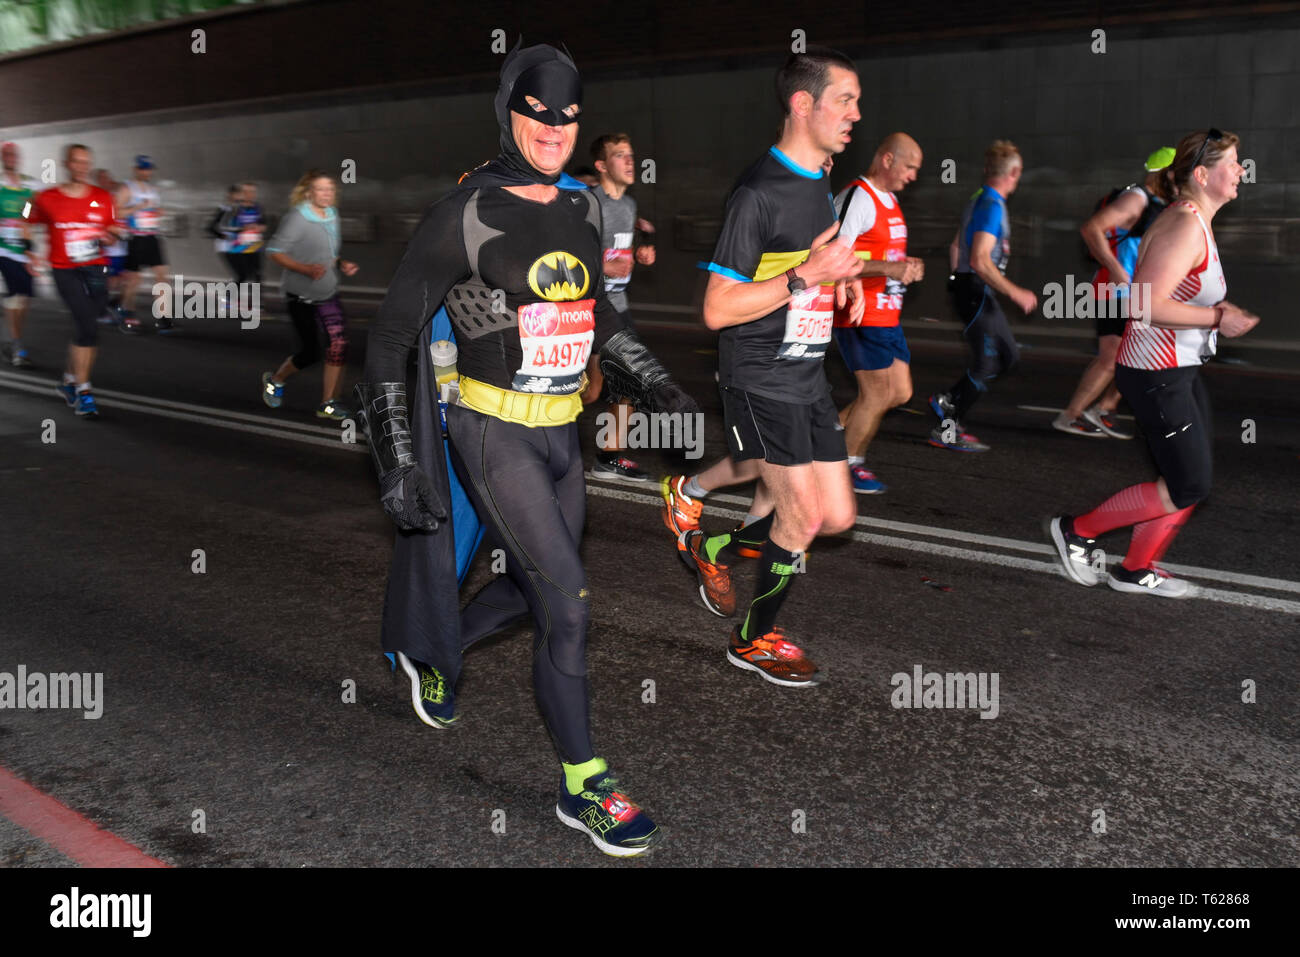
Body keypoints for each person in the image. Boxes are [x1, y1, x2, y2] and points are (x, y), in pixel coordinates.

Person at [355, 42, 695, 857]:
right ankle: (587, 786)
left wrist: (656, 382)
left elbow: (600, 316)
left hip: (560, 438)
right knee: (569, 602)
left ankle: (435, 645)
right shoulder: (467, 210)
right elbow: (389, 336)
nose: (554, 126)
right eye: (538, 111)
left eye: (569, 114)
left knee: (529, 592)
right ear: (509, 109)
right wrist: (396, 457)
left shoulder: (580, 207)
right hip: (492, 430)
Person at [673, 47, 864, 687]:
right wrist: (808, 275)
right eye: (845, 100)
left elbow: (817, 253)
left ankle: (714, 545)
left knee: (836, 518)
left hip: (807, 371)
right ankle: (752, 640)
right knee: (802, 517)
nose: (856, 115)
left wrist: (842, 281)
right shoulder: (757, 194)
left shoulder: (821, 177)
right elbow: (717, 309)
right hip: (757, 375)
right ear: (802, 104)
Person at [1050, 129, 1257, 598]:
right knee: (1190, 482)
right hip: (1154, 374)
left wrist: (1213, 318)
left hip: (1176, 369)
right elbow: (1145, 303)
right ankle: (1077, 530)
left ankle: (1134, 569)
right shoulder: (1184, 224)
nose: (1242, 170)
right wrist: (1216, 317)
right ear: (1203, 175)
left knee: (1189, 478)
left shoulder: (1194, 219)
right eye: (1234, 162)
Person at [1055, 147, 1176, 439]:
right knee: (1112, 359)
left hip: (1136, 293)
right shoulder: (1137, 199)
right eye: (1180, 171)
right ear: (1166, 173)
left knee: (1140, 355)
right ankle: (1072, 416)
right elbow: (1091, 229)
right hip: (1116, 291)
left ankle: (1104, 409)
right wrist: (1116, 269)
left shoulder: (1159, 202)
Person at [831, 132, 925, 493]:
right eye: (910, 167)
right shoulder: (859, 196)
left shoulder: (889, 200)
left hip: (887, 314)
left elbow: (879, 255)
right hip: (859, 312)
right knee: (876, 393)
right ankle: (848, 465)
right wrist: (889, 269)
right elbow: (836, 259)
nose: (913, 175)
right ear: (887, 159)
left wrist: (905, 266)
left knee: (899, 393)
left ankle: (828, 435)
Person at [929, 140, 1036, 452]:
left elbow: (954, 246)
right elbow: (979, 259)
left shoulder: (979, 199)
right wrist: (1015, 292)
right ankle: (947, 427)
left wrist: (956, 279)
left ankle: (949, 401)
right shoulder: (991, 206)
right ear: (1013, 172)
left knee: (1008, 357)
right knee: (985, 364)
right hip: (976, 289)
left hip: (974, 289)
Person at [26, 144, 124, 418]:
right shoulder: (48, 197)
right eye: (77, 162)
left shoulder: (103, 197)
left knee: (87, 326)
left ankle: (69, 380)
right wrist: (28, 246)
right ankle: (83, 390)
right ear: (67, 164)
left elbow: (114, 228)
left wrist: (111, 236)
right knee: (86, 325)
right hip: (64, 269)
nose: (82, 167)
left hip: (96, 269)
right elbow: (25, 217)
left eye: (86, 162)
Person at [582, 133, 657, 482]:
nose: (630, 161)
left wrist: (641, 253)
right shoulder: (589, 205)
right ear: (601, 166)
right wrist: (603, 267)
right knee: (595, 390)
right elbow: (568, 257)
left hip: (617, 306)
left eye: (631, 155)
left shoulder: (627, 206)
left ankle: (608, 457)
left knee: (622, 385)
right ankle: (535, 433)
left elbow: (620, 252)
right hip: (589, 307)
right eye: (619, 156)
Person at [262, 170, 357, 419]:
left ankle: (328, 403)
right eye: (321, 189)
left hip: (328, 292)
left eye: (331, 189)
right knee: (310, 353)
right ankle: (276, 380)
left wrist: (341, 263)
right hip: (301, 295)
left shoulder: (332, 215)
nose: (327, 194)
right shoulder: (297, 218)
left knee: (339, 344)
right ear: (308, 192)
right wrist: (303, 268)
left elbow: (328, 253)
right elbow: (274, 251)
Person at [117, 155, 172, 332]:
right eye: (142, 168)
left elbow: (153, 210)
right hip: (135, 238)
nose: (146, 172)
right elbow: (115, 213)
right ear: (135, 169)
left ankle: (163, 316)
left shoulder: (153, 190)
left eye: (149, 168)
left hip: (152, 236)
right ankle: (127, 312)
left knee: (162, 275)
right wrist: (136, 208)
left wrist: (158, 212)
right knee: (134, 279)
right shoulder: (127, 188)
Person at [0, 142, 38, 367]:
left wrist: (31, 250)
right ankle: (16, 345)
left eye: (14, 154)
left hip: (23, 247)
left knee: (25, 298)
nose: (11, 157)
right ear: (3, 158)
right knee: (16, 295)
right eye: (7, 155)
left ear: (19, 158)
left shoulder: (27, 184)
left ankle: (14, 340)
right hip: (3, 249)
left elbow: (27, 214)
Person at [93, 168, 129, 324]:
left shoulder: (117, 197)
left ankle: (112, 305)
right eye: (101, 179)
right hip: (107, 249)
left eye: (107, 178)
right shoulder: (95, 200)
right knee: (110, 281)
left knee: (126, 280)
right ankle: (101, 311)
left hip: (122, 248)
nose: (105, 181)